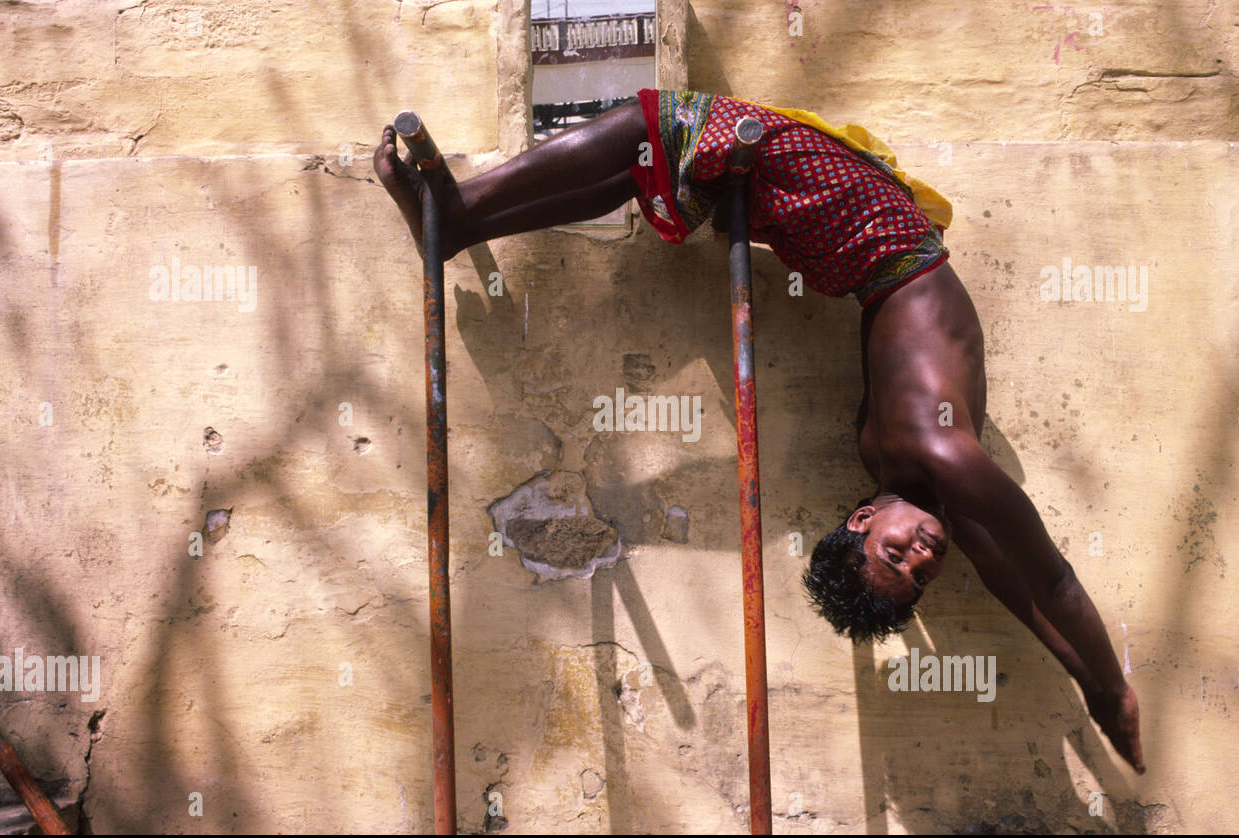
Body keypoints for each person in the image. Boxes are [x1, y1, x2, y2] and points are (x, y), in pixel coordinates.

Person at [374, 88, 1146, 775]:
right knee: (659, 144)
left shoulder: (926, 461)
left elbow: (1038, 584)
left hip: (861, 244)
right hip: (873, 237)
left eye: (897, 559)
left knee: (660, 139)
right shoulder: (940, 460)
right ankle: (463, 216)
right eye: (918, 569)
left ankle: (462, 215)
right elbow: (1032, 580)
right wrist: (1099, 686)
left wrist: (1103, 691)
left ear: (864, 518)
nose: (922, 556)